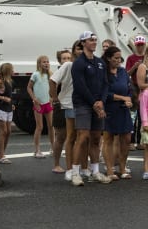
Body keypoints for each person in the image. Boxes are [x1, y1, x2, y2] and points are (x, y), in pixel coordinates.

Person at [70, 30, 111, 186]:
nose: (94, 42)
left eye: (95, 39)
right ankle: (75, 172)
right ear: (83, 43)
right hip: (83, 104)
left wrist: (102, 101)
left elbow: (106, 83)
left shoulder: (100, 62)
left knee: (96, 138)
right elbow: (80, 86)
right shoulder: (78, 63)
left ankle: (95, 171)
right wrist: (94, 103)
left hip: (98, 104)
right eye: (90, 40)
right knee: (83, 136)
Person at [50, 42, 83, 176]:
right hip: (62, 105)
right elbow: (52, 82)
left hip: (77, 105)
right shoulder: (66, 67)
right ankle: (57, 164)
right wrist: (55, 99)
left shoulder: (82, 66)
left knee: (76, 137)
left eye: (67, 58)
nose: (66, 60)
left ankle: (76, 165)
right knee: (61, 136)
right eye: (63, 58)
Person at [102, 46, 134, 179]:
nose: (118, 60)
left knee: (126, 139)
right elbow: (104, 92)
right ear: (109, 58)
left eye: (120, 58)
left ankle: (122, 168)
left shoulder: (122, 72)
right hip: (109, 108)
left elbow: (129, 88)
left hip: (123, 109)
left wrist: (129, 100)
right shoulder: (103, 73)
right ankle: (109, 169)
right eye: (115, 58)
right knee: (108, 138)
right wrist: (121, 98)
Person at [28, 55, 54, 158]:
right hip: (39, 104)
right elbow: (29, 88)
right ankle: (37, 150)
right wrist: (34, 98)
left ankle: (53, 148)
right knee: (39, 127)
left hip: (48, 103)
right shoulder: (35, 74)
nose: (46, 63)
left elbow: (53, 87)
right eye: (44, 62)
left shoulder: (50, 75)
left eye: (47, 62)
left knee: (51, 126)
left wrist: (52, 97)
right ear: (39, 64)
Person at [0, 63, 15, 165]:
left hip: (8, 107)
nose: (13, 70)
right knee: (3, 131)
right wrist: (3, 98)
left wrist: (11, 103)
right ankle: (1, 155)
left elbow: (9, 95)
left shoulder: (10, 81)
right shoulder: (0, 82)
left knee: (8, 131)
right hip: (0, 108)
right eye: (12, 69)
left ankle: (2, 153)